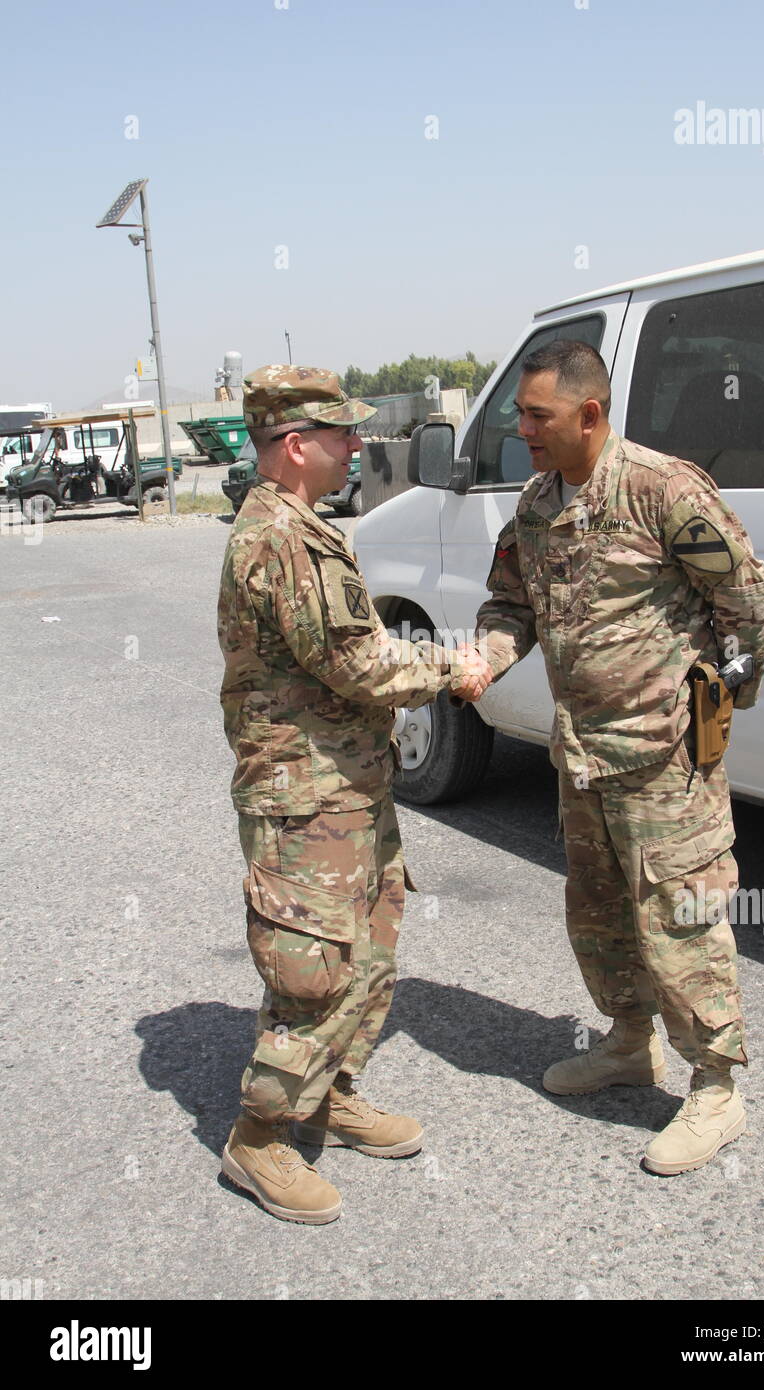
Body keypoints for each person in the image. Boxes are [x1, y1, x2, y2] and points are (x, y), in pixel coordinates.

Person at [461, 340, 764, 1176]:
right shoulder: (534, 505)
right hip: (584, 756)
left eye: (538, 416)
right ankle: (630, 1043)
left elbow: (746, 600)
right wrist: (488, 657)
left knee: (684, 914)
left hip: (666, 758)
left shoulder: (663, 491)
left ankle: (716, 1085)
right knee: (600, 914)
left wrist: (712, 709)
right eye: (520, 415)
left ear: (589, 415)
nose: (521, 430)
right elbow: (511, 603)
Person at [218, 365, 491, 1223]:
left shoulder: (303, 525)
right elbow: (361, 663)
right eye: (340, 435)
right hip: (307, 801)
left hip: (347, 784)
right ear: (295, 447)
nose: (357, 447)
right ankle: (259, 1138)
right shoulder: (281, 539)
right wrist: (459, 667)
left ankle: (330, 1095)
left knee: (369, 949)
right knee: (316, 969)